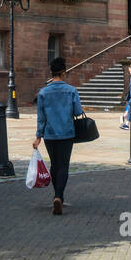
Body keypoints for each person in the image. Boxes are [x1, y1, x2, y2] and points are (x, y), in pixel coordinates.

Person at [33, 56, 83, 215]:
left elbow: (41, 117)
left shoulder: (43, 92)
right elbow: (77, 112)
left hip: (49, 134)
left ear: (51, 72)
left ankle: (57, 196)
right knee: (64, 165)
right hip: (67, 133)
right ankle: (59, 196)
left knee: (54, 165)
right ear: (63, 72)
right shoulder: (71, 91)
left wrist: (38, 136)